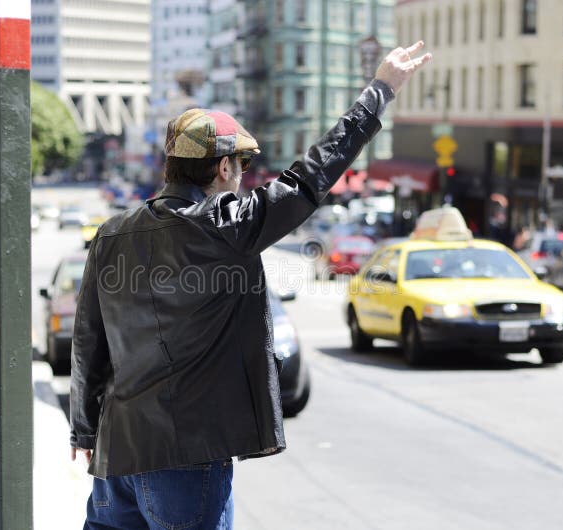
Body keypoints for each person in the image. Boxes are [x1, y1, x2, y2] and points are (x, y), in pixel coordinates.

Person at [70, 41, 431, 529]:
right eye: (239, 168)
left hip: (116, 455)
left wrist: (84, 428)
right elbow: (311, 176)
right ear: (223, 168)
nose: (240, 181)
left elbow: (88, 340)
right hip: (186, 455)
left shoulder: (111, 234)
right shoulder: (227, 224)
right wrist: (380, 90)